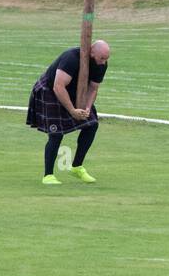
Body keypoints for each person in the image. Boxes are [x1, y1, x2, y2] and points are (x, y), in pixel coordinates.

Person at [27, 41, 110, 186]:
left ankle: (77, 167)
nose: (103, 62)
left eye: (106, 58)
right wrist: (72, 110)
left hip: (74, 92)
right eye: (101, 58)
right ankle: (48, 175)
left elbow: (93, 88)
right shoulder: (71, 58)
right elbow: (58, 86)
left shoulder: (101, 65)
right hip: (50, 90)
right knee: (56, 133)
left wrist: (88, 107)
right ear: (91, 52)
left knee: (92, 124)